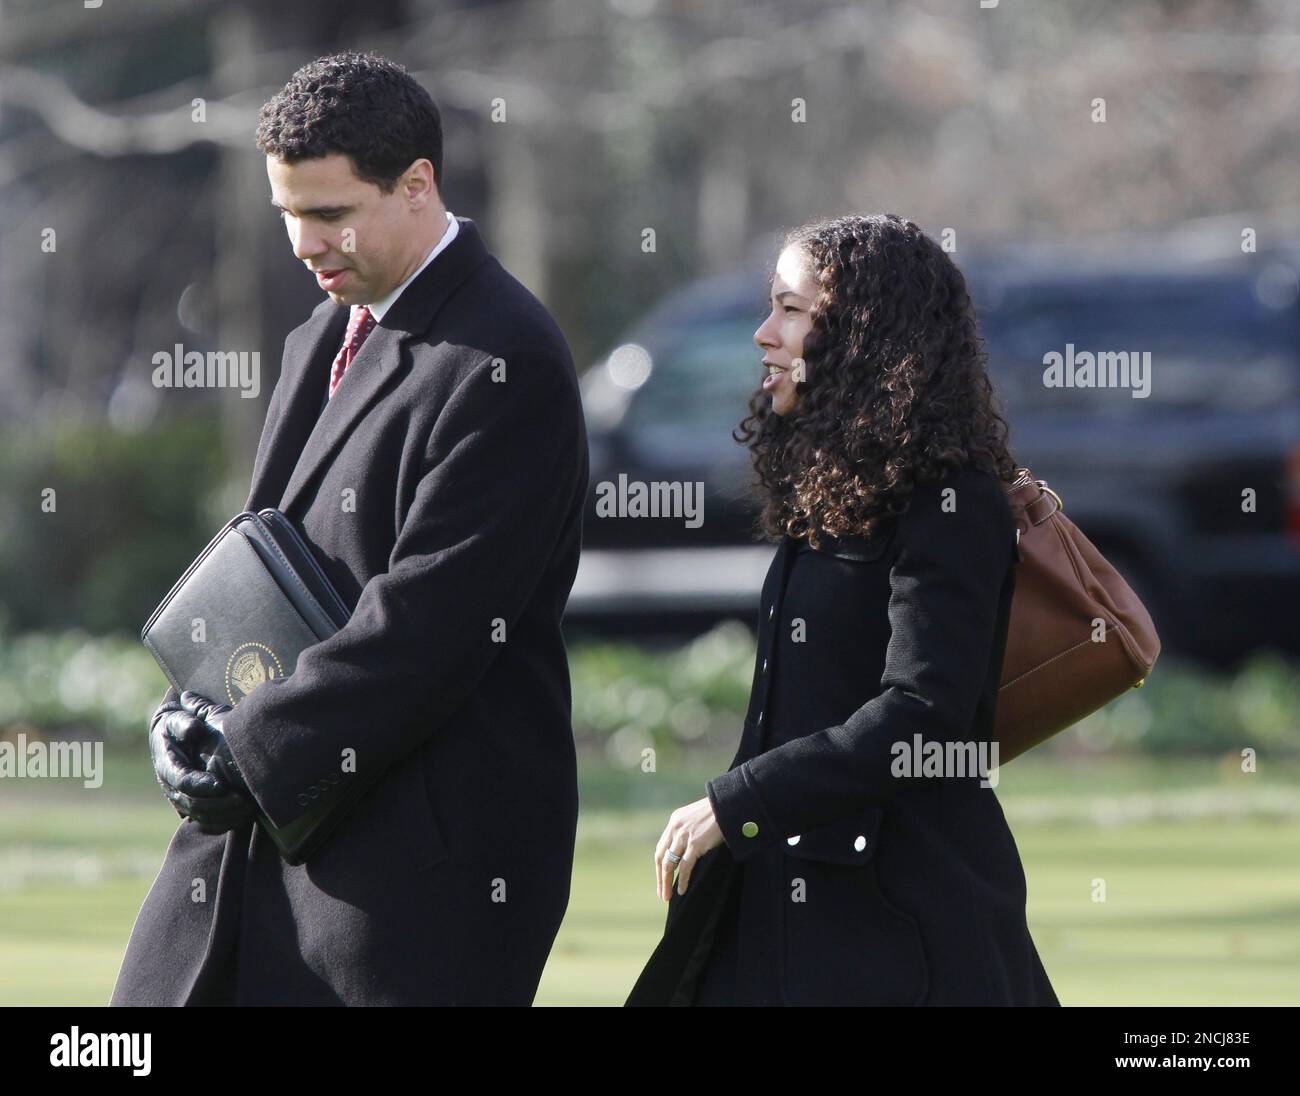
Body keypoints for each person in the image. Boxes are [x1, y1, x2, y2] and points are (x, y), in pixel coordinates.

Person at [111, 51, 589, 1006]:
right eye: (288, 214)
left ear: (418, 186)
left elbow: (428, 632)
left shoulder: (508, 360)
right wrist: (188, 715)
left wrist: (247, 750)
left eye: (330, 214)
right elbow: (261, 568)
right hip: (264, 835)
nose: (302, 244)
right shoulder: (321, 336)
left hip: (411, 881)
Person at [626, 213, 1059, 1006]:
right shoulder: (833, 487)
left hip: (899, 926)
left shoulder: (950, 498)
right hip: (779, 900)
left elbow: (922, 712)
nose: (764, 332)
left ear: (862, 333)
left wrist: (738, 802)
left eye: (791, 310)